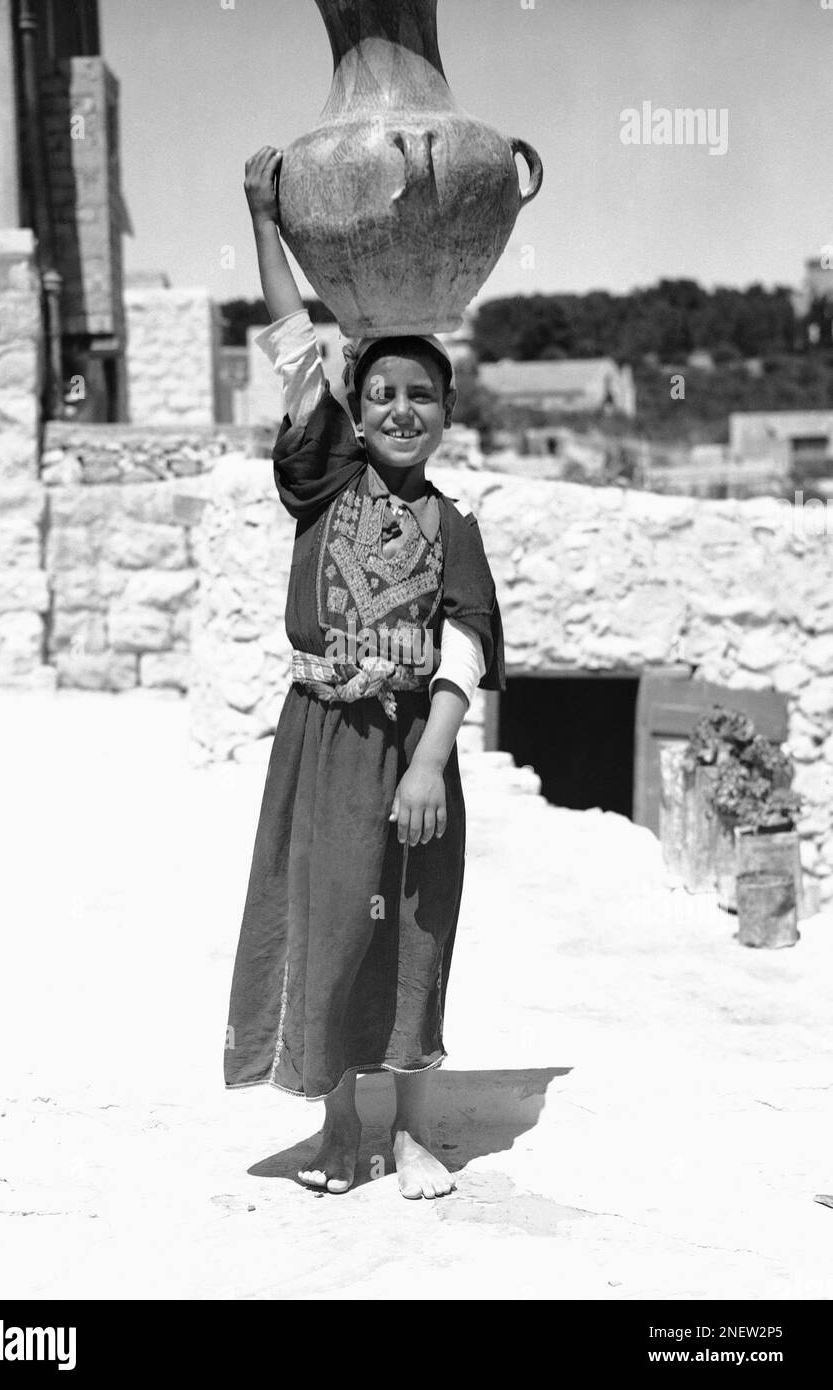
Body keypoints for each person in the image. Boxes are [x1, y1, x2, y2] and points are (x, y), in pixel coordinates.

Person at [223, 148, 506, 1200]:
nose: (397, 409)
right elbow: (296, 348)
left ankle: (418, 1129)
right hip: (325, 740)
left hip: (413, 751)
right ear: (356, 406)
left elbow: (468, 644)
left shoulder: (455, 522)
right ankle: (343, 1127)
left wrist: (430, 764)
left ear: (444, 411)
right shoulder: (323, 477)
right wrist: (263, 218)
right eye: (380, 391)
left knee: (416, 924)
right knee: (334, 921)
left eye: (419, 395)